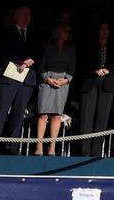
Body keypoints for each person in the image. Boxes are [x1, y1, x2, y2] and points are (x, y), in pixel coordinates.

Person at [0, 6, 37, 153]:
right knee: (0, 112)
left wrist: (29, 61)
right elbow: (2, 51)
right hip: (7, 77)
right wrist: (22, 61)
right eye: (23, 14)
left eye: (29, 14)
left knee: (19, 114)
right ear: (16, 16)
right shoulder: (5, 32)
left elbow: (39, 52)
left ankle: (12, 146)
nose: (27, 17)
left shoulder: (34, 34)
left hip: (26, 80)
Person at [33, 22, 76, 156]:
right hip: (47, 82)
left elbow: (72, 68)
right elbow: (41, 66)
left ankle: (52, 146)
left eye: (68, 32)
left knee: (57, 115)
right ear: (58, 32)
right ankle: (39, 145)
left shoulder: (71, 49)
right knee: (43, 114)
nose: (67, 34)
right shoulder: (47, 47)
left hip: (62, 83)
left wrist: (66, 79)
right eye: (65, 31)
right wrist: (48, 79)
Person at [75, 23, 114, 158]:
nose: (104, 32)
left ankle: (96, 153)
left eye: (106, 29)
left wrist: (108, 70)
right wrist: (94, 70)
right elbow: (81, 63)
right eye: (102, 29)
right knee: (86, 118)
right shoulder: (88, 45)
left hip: (107, 84)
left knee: (102, 120)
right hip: (90, 82)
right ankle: (84, 152)